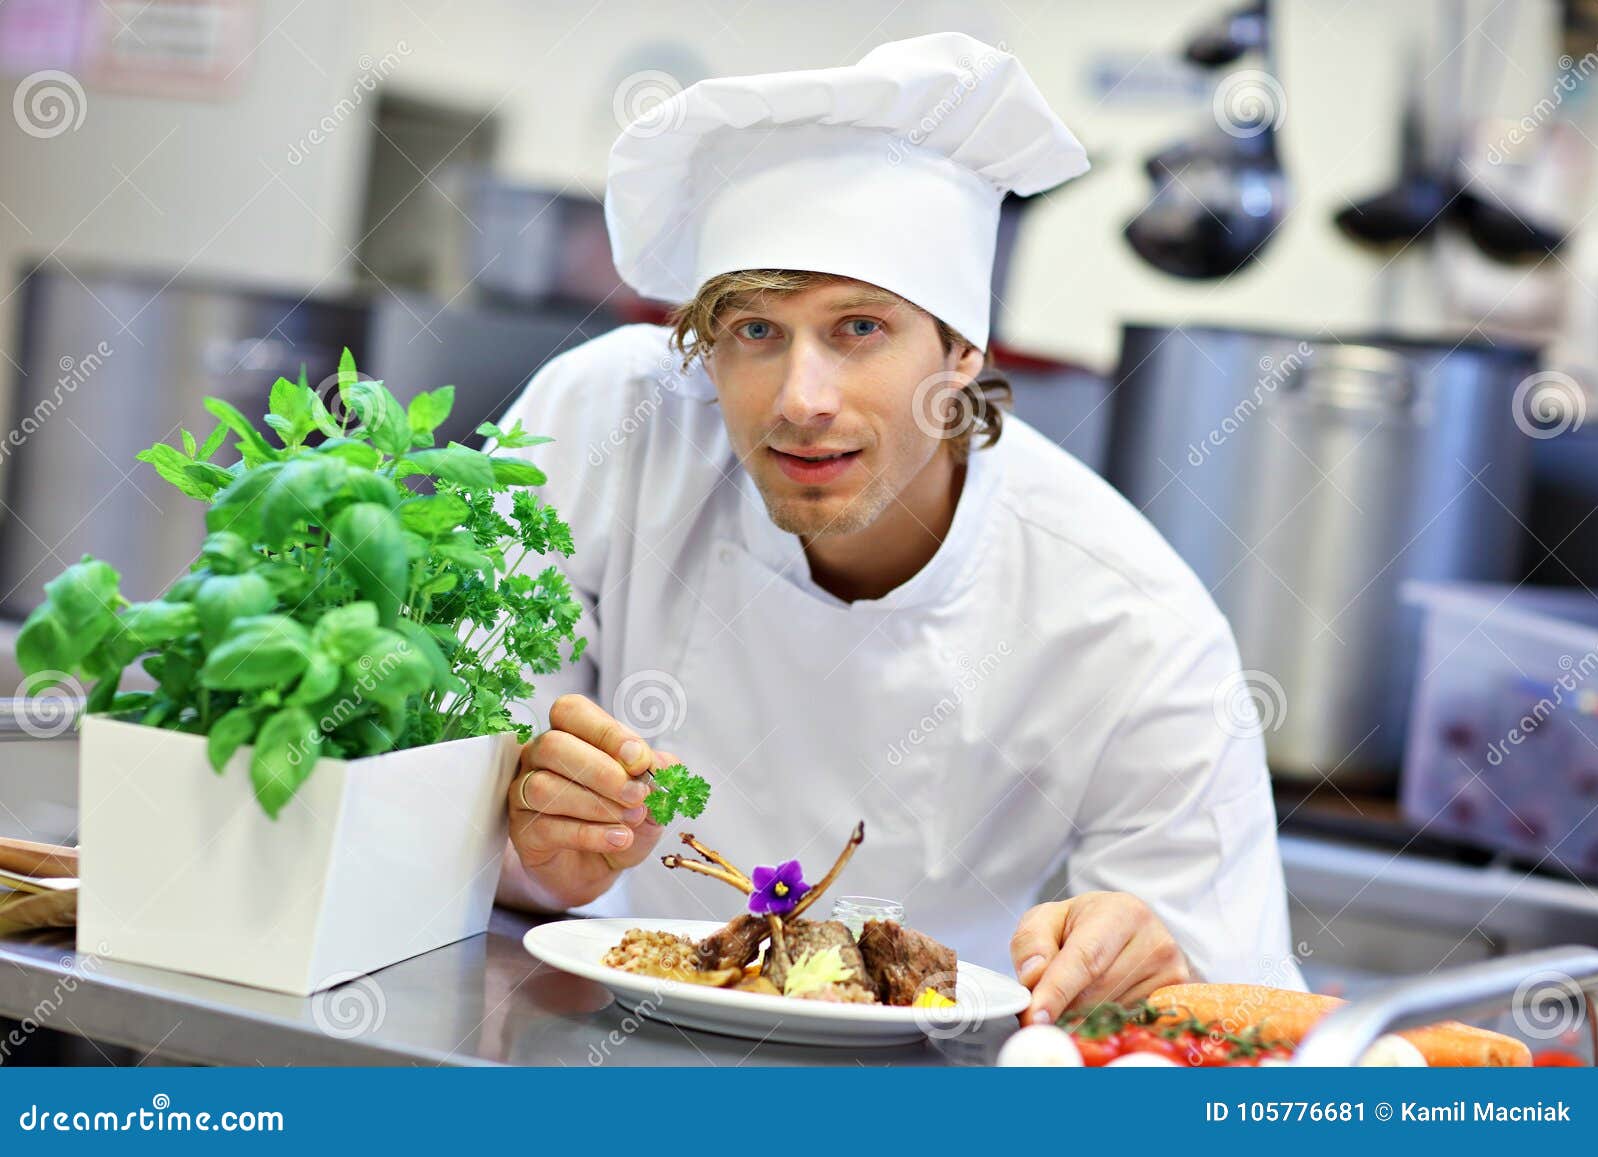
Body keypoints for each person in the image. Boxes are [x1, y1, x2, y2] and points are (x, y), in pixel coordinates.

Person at [493, 31, 1304, 1023]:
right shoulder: (602, 427)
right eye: (753, 329)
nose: (801, 398)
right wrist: (534, 847)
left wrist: (1144, 966)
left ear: (962, 348)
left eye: (859, 328)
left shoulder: (1132, 625)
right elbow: (444, 831)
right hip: (613, 1045)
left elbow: (1228, 1014)